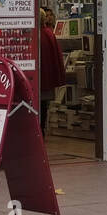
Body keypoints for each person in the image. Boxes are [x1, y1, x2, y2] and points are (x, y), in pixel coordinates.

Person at [38, 8, 66, 136]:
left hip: (38, 77)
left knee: (38, 105)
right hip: (47, 77)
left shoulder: (35, 35)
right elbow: (57, 56)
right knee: (44, 104)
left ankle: (38, 130)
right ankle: (42, 129)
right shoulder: (49, 34)